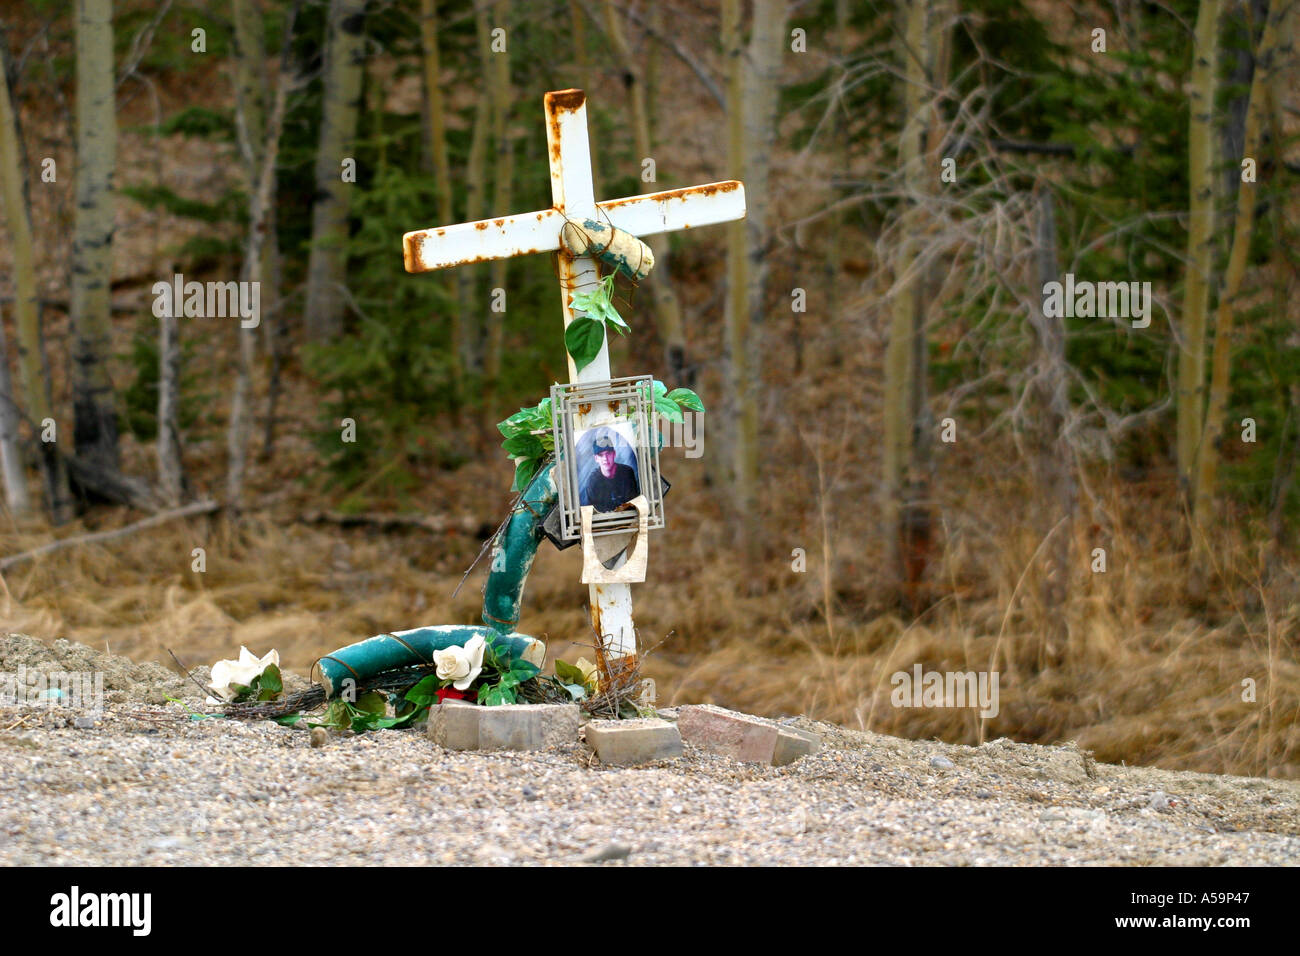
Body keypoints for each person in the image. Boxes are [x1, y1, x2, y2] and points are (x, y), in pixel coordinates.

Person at [581, 433, 639, 512]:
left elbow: (634, 505)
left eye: (608, 453)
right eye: (601, 455)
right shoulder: (593, 481)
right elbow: (592, 513)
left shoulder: (627, 473)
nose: (605, 458)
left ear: (614, 454)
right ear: (596, 458)